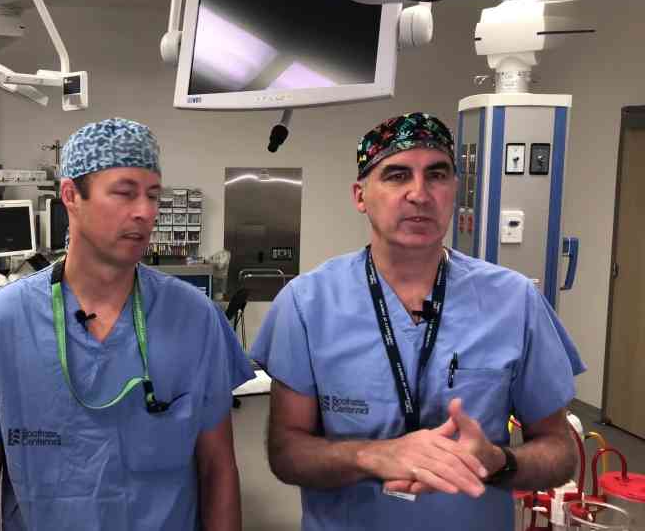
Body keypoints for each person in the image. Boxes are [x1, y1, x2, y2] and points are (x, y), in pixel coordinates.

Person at [249, 112, 586, 531]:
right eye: (397, 175)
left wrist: (498, 461)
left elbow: (559, 451)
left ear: (454, 190)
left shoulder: (514, 302)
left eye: (437, 175)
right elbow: (286, 452)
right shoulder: (307, 304)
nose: (419, 194)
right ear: (360, 195)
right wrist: (372, 456)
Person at [0, 117, 255, 531]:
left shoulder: (195, 319)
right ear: (71, 196)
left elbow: (218, 470)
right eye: (124, 193)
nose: (145, 212)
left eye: (153, 195)